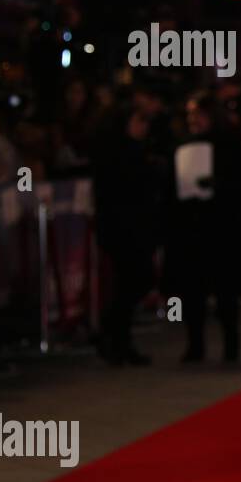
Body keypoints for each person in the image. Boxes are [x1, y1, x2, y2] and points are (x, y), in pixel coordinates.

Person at [161, 94, 241, 363]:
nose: (194, 120)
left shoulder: (232, 145)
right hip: (190, 229)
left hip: (223, 230)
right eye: (190, 115)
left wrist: (220, 186)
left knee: (226, 293)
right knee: (193, 292)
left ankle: (231, 345)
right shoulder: (180, 146)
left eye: (199, 114)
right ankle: (195, 345)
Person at [92, 101, 162, 366]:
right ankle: (113, 335)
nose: (144, 128)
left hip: (132, 227)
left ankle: (116, 337)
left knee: (133, 282)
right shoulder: (119, 153)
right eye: (139, 121)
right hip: (125, 229)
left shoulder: (134, 151)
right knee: (134, 280)